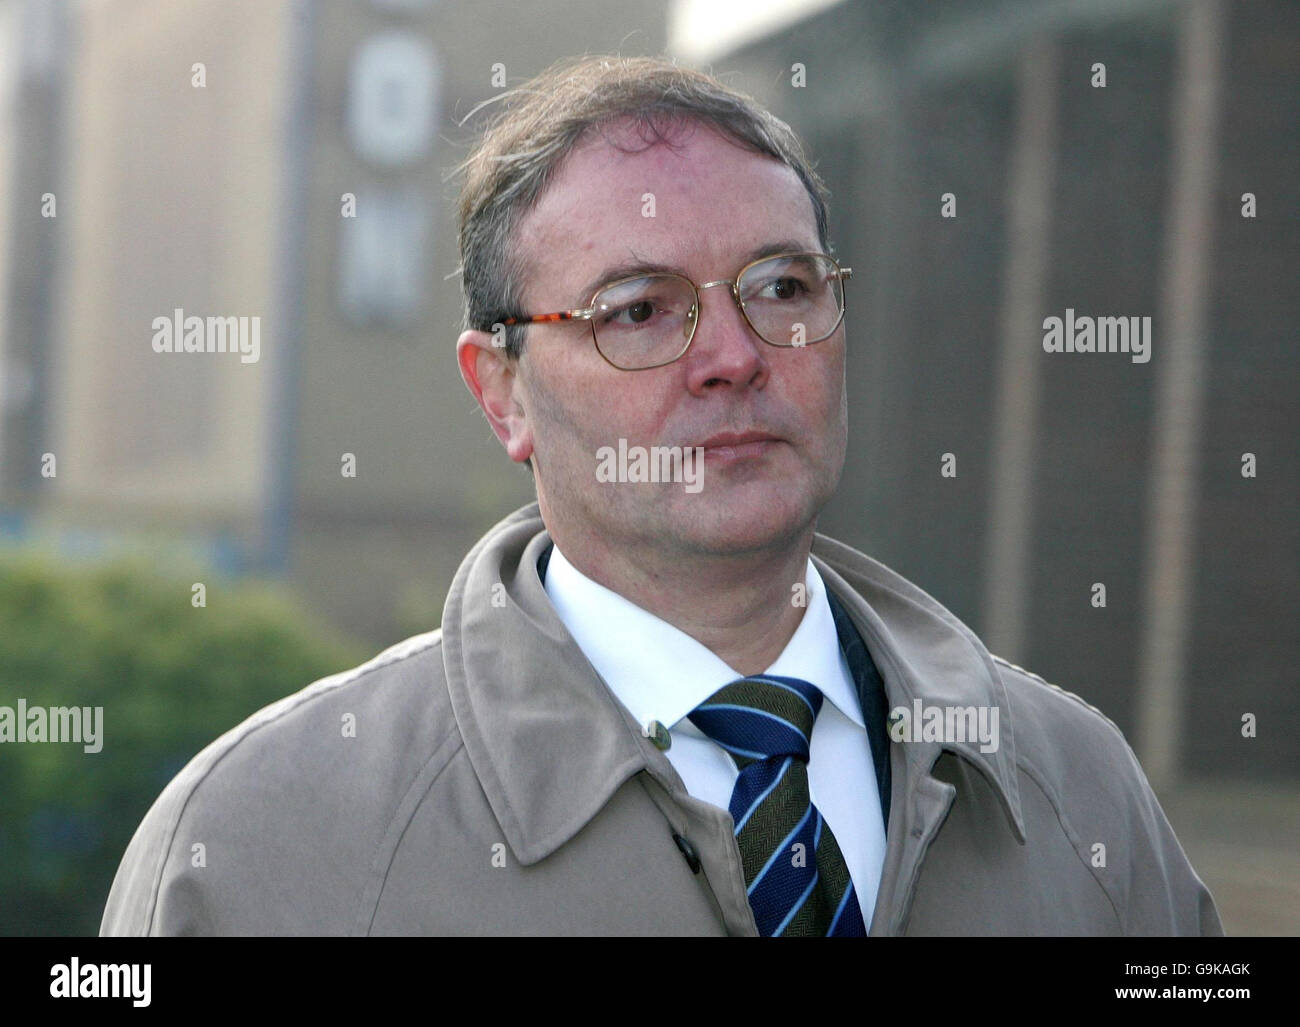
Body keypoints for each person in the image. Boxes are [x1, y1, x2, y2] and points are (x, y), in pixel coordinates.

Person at [101, 54, 1223, 937]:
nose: (734, 356)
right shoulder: (264, 845)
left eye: (781, 286)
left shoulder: (1077, 790)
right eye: (638, 309)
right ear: (503, 393)